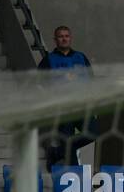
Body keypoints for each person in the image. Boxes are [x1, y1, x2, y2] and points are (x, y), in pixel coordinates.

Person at [37, 25, 96, 171]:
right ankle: (76, 176)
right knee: (67, 140)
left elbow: (91, 79)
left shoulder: (81, 57)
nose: (64, 39)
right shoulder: (49, 60)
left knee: (93, 134)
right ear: (55, 40)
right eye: (60, 36)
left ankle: (57, 152)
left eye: (66, 36)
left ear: (70, 38)